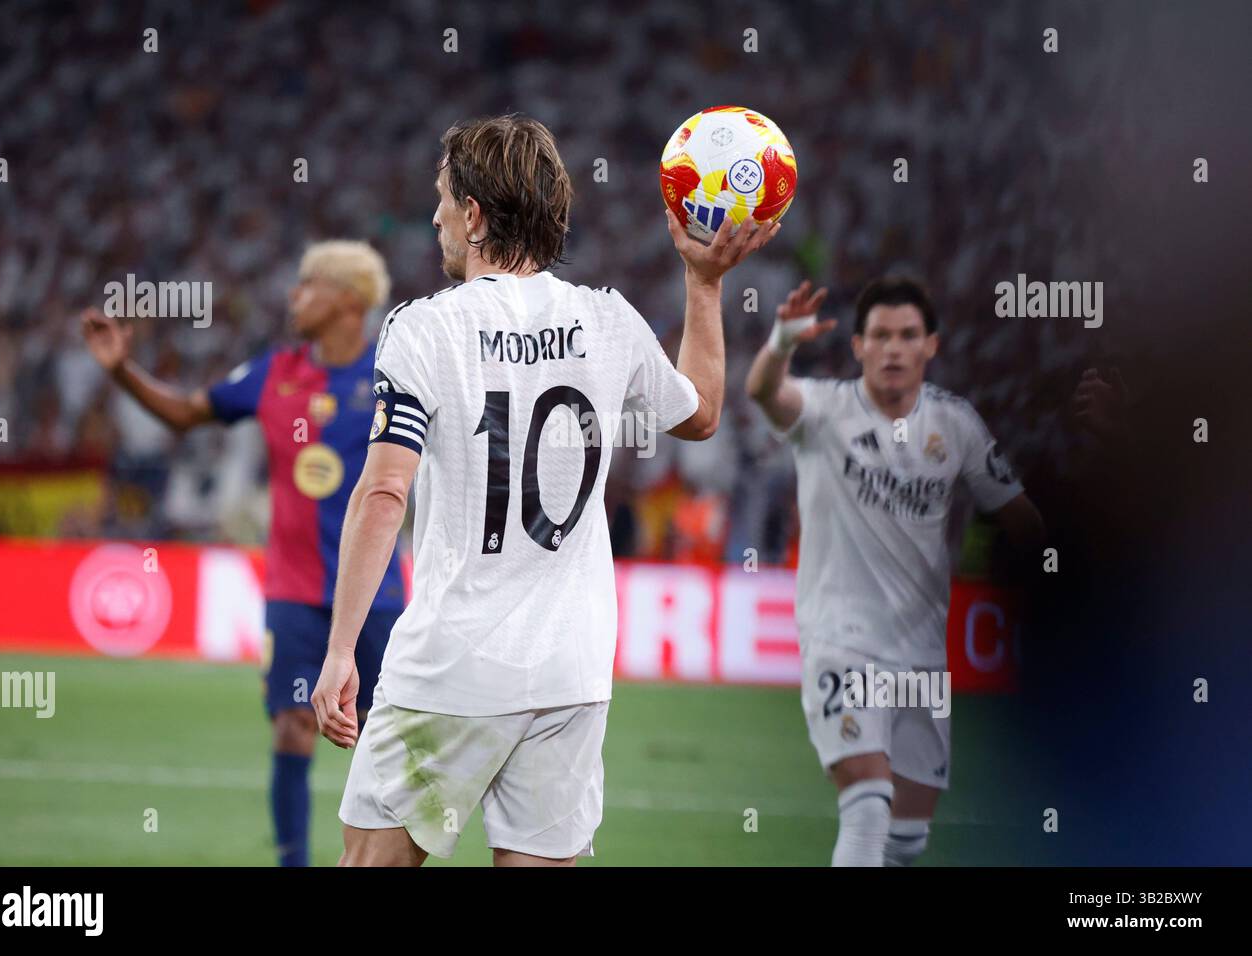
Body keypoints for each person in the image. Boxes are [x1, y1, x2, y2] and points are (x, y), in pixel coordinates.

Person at [311, 114, 778, 866]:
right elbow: (702, 411)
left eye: (442, 200)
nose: (434, 217)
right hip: (571, 670)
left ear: (474, 214)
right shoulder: (609, 320)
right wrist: (703, 282)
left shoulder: (422, 329)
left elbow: (383, 494)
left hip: (452, 666)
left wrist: (339, 650)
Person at [80, 241, 405, 866]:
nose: (293, 296)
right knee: (292, 726)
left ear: (346, 301)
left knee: (387, 740)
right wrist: (121, 370)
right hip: (294, 592)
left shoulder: (392, 374)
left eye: (307, 285)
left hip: (377, 594)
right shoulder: (275, 371)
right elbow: (186, 413)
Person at [745, 276, 1045, 866]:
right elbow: (762, 392)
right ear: (857, 346)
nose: (893, 349)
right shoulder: (825, 411)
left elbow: (1024, 521)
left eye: (908, 335)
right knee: (867, 807)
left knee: (906, 842)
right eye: (880, 335)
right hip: (841, 641)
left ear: (931, 345)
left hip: (922, 655)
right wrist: (782, 340)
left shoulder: (955, 426)